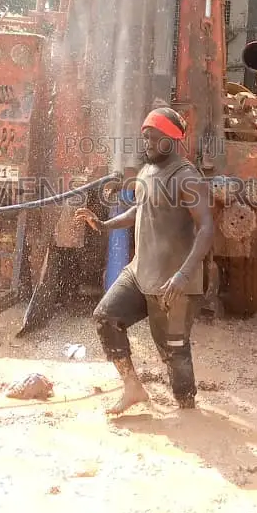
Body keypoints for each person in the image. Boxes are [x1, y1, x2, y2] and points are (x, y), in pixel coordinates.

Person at [76, 106, 215, 416]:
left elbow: (207, 228)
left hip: (173, 285)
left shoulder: (187, 177)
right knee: (105, 319)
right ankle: (133, 388)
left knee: (174, 353)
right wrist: (104, 225)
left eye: (153, 138)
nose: (147, 144)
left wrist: (182, 276)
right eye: (145, 138)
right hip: (140, 275)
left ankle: (189, 412)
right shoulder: (147, 171)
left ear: (172, 138)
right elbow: (139, 210)